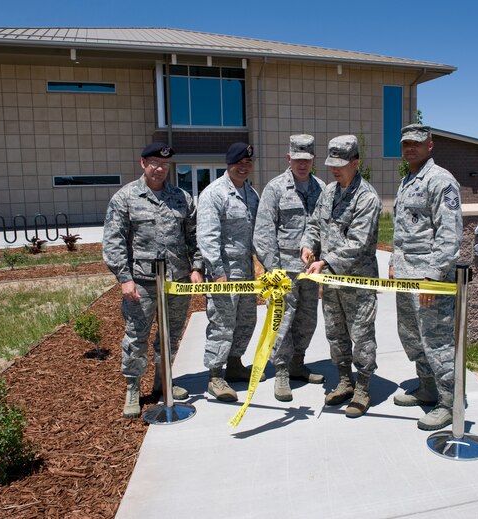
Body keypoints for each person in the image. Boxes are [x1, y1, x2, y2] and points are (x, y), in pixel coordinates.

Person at [103, 142, 204, 419]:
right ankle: (133, 388)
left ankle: (164, 383)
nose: (159, 169)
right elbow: (114, 242)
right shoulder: (125, 198)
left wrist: (196, 267)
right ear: (142, 163)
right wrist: (124, 278)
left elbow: (194, 237)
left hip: (176, 280)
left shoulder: (182, 198)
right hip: (143, 283)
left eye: (165, 165)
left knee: (170, 337)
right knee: (137, 337)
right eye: (154, 163)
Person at [300, 135, 381, 418]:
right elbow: (314, 223)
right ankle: (345, 380)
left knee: (361, 336)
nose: (334, 169)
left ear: (355, 163)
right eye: (331, 164)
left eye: (340, 164)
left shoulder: (367, 197)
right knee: (335, 334)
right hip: (332, 283)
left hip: (357, 283)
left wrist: (325, 262)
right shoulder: (329, 191)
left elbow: (358, 244)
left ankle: (364, 388)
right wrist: (308, 244)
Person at [389, 124, 463, 431]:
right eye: (406, 143)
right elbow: (404, 230)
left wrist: (433, 276)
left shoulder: (440, 180)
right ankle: (428, 388)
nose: (410, 148)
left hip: (429, 280)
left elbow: (449, 234)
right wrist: (394, 261)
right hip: (407, 278)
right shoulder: (407, 181)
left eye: (416, 144)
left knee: (438, 342)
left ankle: (448, 402)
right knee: (413, 338)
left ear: (430, 145)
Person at [254, 135, 326, 402]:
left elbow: (325, 228)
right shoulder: (275, 189)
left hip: (310, 270)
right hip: (283, 269)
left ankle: (298, 362)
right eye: (297, 159)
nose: (302, 164)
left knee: (307, 318)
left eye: (307, 159)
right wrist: (272, 269)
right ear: (288, 158)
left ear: (313, 160)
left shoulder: (322, 188)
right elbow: (263, 232)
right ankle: (281, 370)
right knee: (283, 319)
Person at [197, 142, 262, 402]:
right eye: (239, 163)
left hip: (245, 269)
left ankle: (235, 364)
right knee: (222, 322)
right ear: (228, 163)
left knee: (246, 320)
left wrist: (261, 264)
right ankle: (215, 375)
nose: (244, 167)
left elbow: (258, 232)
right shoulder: (213, 194)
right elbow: (207, 236)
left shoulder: (252, 194)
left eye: (248, 163)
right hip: (223, 271)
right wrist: (217, 272)